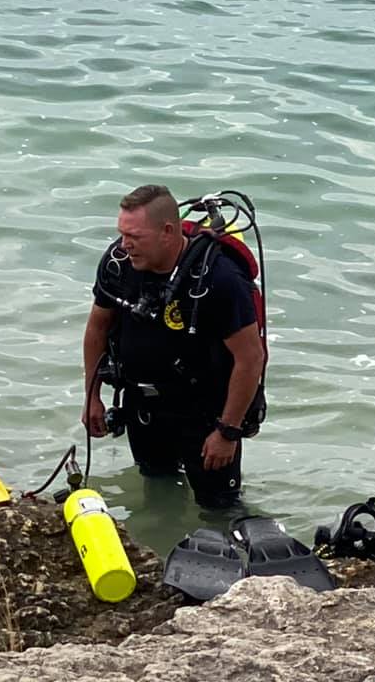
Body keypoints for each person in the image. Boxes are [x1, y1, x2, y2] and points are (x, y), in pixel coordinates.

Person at [81, 185, 265, 507]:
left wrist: (227, 432)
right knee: (157, 491)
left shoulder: (219, 278)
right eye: (121, 234)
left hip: (205, 413)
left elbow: (250, 359)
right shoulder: (118, 263)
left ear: (167, 231)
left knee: (218, 507)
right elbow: (97, 327)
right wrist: (91, 396)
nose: (125, 245)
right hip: (143, 405)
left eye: (134, 236)